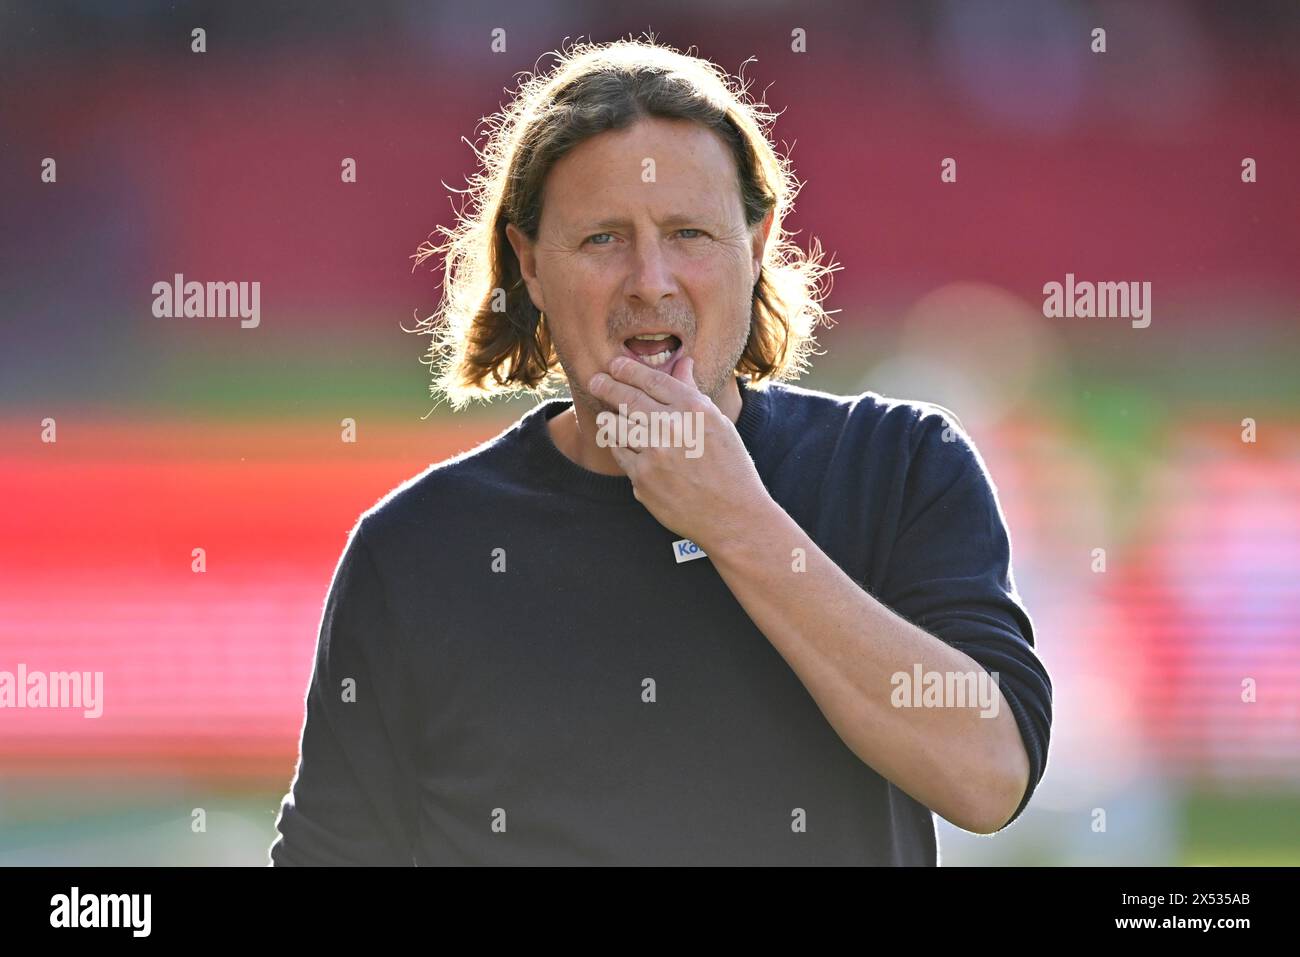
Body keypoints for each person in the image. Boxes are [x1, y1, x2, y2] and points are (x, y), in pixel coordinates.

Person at [268, 37, 1051, 866]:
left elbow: (990, 776)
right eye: (604, 239)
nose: (651, 280)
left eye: (688, 233)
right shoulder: (417, 548)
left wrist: (735, 519)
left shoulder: (899, 465)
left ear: (757, 242)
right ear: (529, 263)